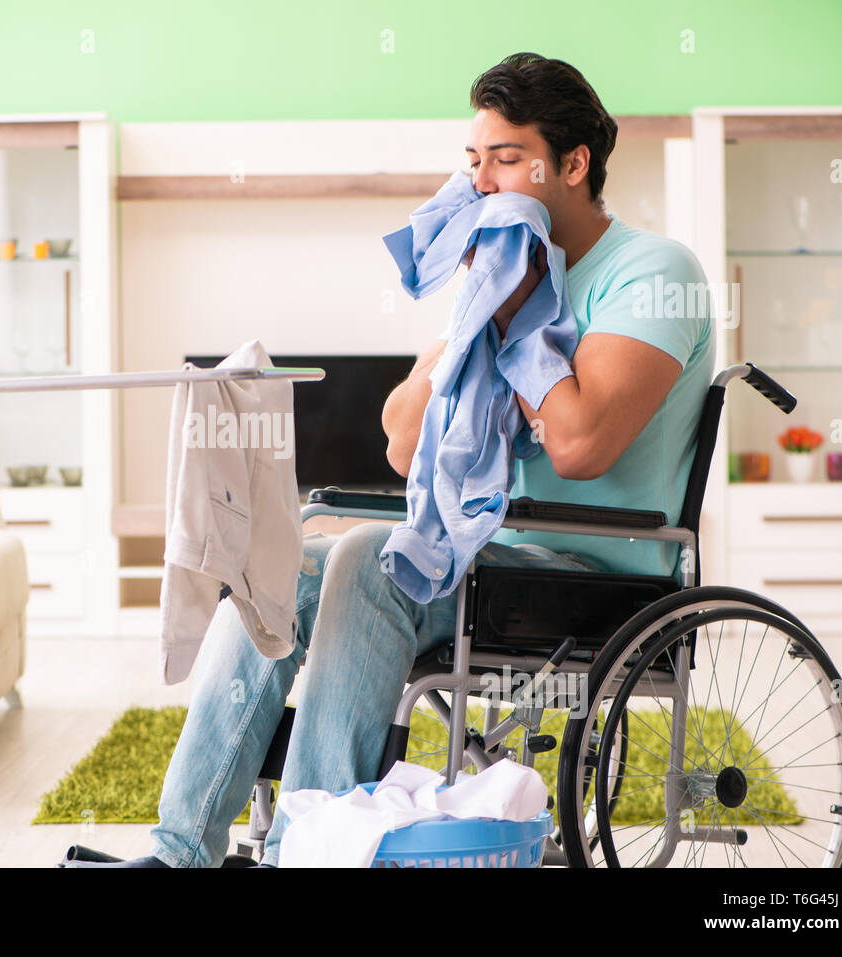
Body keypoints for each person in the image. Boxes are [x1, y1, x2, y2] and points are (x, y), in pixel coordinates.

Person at [61, 51, 715, 868]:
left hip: (593, 576)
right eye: (473, 161)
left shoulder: (653, 273)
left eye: (507, 160)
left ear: (573, 165)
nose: (480, 183)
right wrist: (478, 311)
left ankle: (303, 852)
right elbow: (404, 443)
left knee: (372, 556)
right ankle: (179, 848)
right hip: (497, 555)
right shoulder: (505, 273)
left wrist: (515, 318)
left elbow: (581, 445)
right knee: (284, 563)